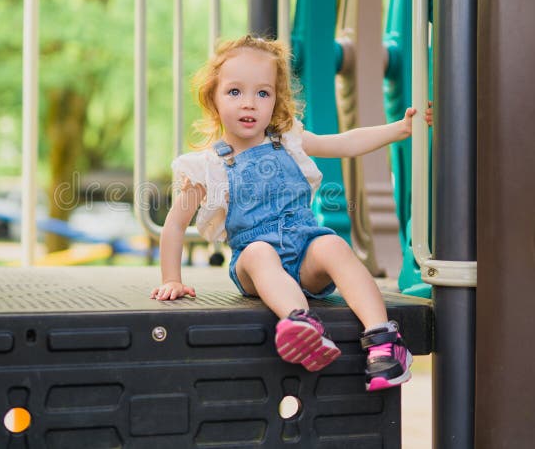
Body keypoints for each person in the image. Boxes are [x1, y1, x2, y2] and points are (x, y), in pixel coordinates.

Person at [151, 35, 420, 391]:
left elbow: (344, 143)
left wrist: (399, 129)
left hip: (303, 252)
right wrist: (172, 278)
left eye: (262, 93)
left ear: (276, 100)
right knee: (260, 252)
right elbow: (174, 225)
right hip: (254, 264)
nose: (249, 104)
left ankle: (383, 343)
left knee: (334, 246)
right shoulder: (207, 166)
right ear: (212, 97)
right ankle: (302, 325)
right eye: (234, 92)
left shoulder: (289, 140)